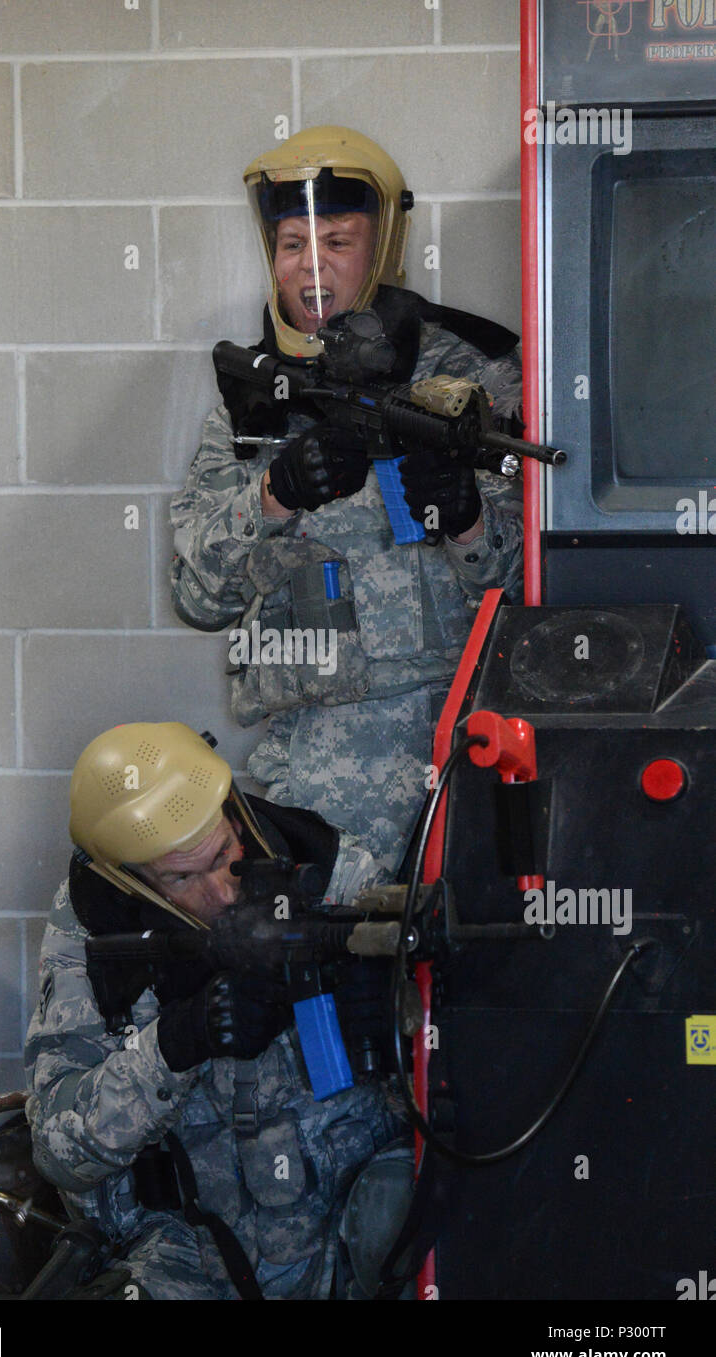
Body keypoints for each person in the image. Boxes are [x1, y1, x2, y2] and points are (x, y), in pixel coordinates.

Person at [170, 126, 524, 873]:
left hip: (463, 742)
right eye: (292, 242)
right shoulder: (250, 407)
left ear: (383, 246)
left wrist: (464, 518)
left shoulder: (474, 383)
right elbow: (197, 598)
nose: (312, 266)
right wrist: (271, 496)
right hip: (311, 766)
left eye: (336, 239)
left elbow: (536, 589)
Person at [24, 721, 408, 1300]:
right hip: (192, 1251)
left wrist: (392, 1017)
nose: (222, 893)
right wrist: (174, 1045)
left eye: (225, 855)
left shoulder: (330, 870)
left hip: (349, 1231)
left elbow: (452, 1087)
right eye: (182, 878)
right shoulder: (92, 926)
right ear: (129, 882)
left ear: (233, 813)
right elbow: (58, 1153)